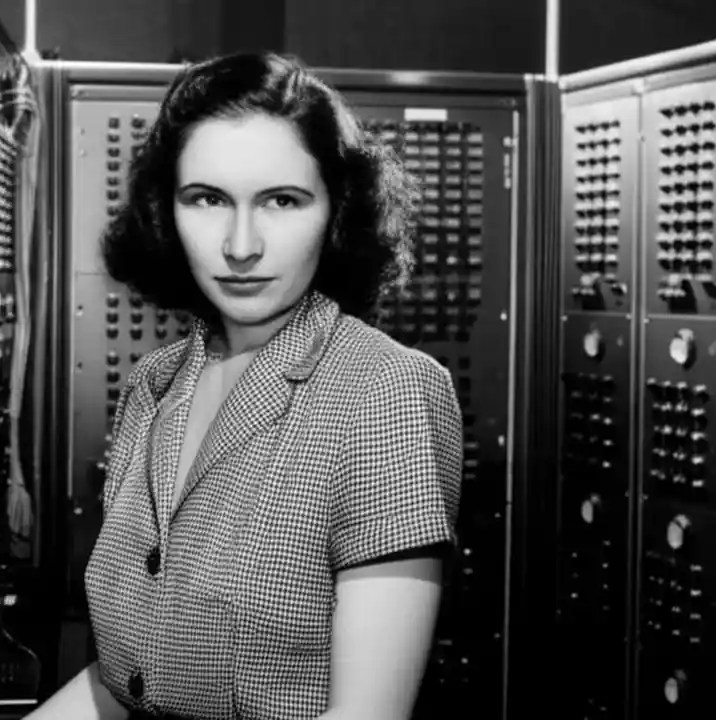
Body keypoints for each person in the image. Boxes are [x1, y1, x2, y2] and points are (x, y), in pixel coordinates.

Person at [28, 52, 463, 720]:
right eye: (206, 199)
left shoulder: (384, 390)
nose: (240, 244)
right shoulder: (154, 384)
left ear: (336, 212)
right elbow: (130, 678)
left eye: (281, 201)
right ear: (164, 212)